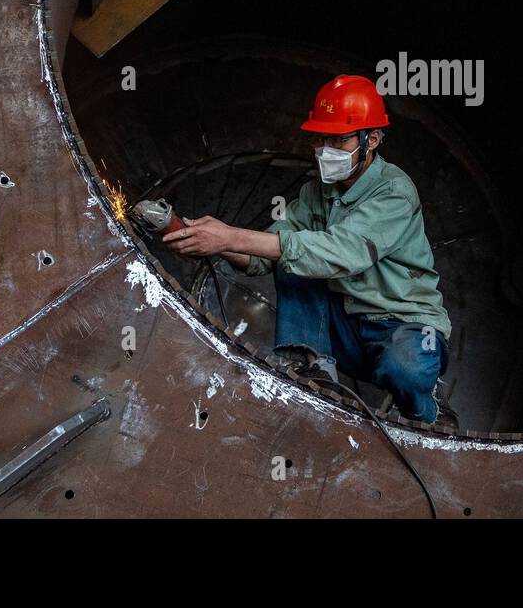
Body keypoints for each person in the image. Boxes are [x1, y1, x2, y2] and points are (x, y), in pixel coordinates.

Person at [163, 74, 457, 427]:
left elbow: (341, 253)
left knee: (405, 369)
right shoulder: (315, 194)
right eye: (320, 139)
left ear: (372, 139)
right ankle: (315, 365)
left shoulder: (394, 190)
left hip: (404, 327)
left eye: (339, 139)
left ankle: (429, 409)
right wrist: (209, 243)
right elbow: (262, 257)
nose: (326, 149)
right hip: (346, 331)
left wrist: (229, 237)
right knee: (289, 256)